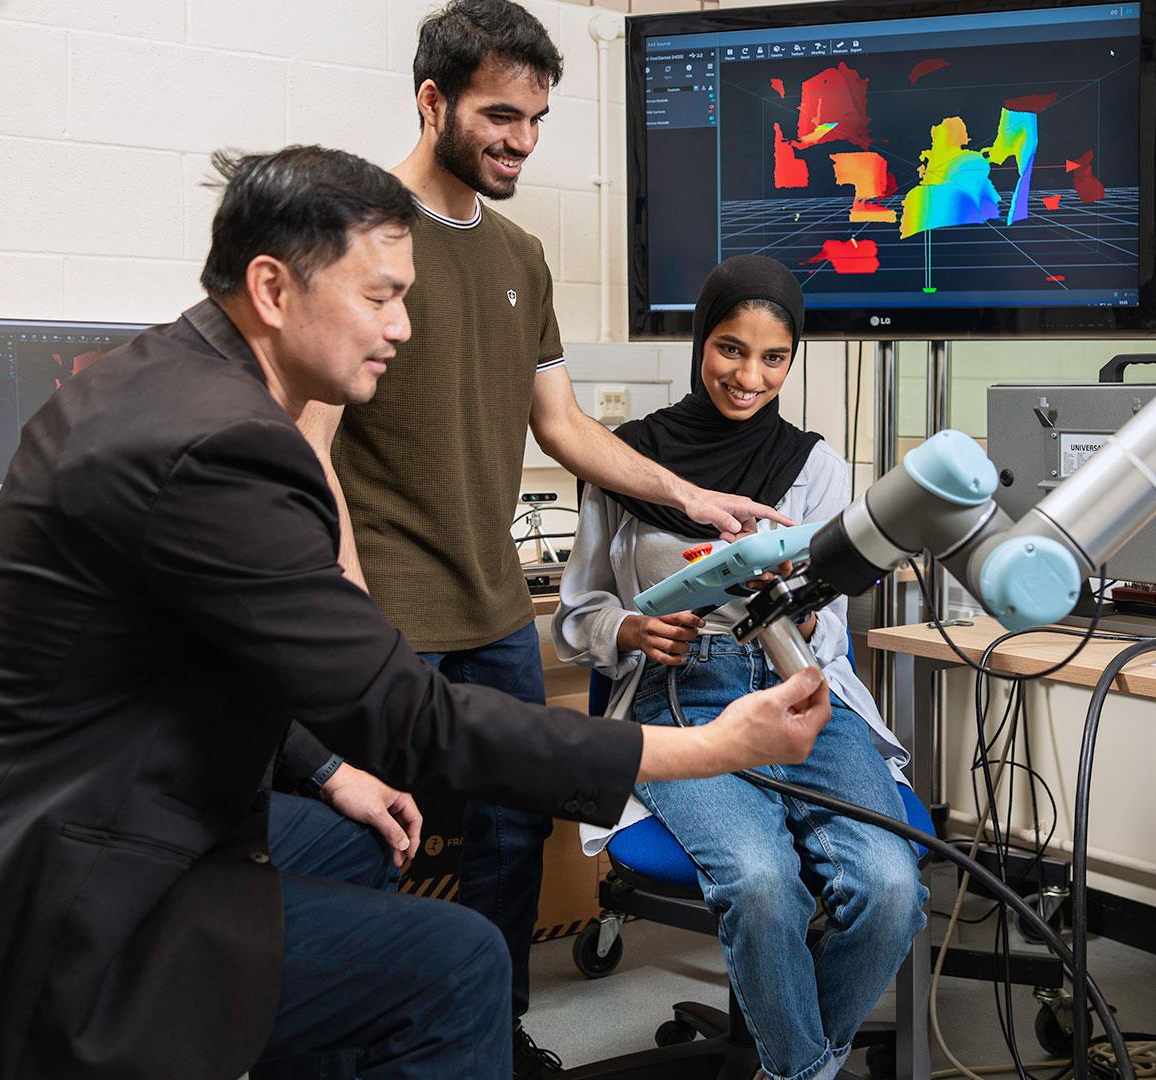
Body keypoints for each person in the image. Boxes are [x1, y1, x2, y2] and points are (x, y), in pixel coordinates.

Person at [0, 146, 833, 1080]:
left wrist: (328, 771)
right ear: (274, 289)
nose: (402, 327)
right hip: (46, 904)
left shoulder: (158, 377)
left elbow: (201, 659)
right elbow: (415, 722)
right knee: (459, 960)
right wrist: (712, 748)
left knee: (358, 832)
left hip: (30, 827)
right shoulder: (222, 449)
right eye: (381, 297)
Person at [292, 5, 788, 1071]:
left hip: (492, 605)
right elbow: (312, 441)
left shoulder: (520, 252)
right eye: (499, 116)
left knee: (516, 831)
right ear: (433, 101)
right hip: (387, 607)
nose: (520, 141)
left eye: (536, 121)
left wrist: (692, 497)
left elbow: (561, 426)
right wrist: (345, 599)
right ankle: (353, 1041)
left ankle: (492, 1028)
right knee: (372, 833)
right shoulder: (358, 236)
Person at [554, 256, 928, 1080]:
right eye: (730, 349)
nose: (748, 377)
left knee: (891, 888)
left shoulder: (814, 465)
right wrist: (630, 628)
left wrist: (795, 603)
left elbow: (831, 630)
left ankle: (790, 1065)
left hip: (796, 690)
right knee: (759, 882)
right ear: (700, 341)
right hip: (678, 695)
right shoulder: (628, 460)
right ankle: (804, 1069)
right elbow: (575, 617)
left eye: (773, 357)